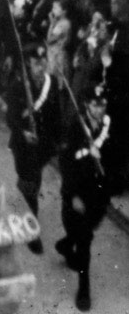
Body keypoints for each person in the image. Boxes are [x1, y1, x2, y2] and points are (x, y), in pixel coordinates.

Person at [55, 83, 114, 312]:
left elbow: (112, 156)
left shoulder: (107, 125)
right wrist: (71, 196)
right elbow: (66, 164)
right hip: (77, 193)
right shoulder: (74, 128)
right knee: (85, 240)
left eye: (102, 105)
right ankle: (84, 289)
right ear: (87, 105)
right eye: (95, 105)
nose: (100, 109)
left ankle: (64, 244)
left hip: (97, 194)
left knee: (86, 230)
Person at [6, 42, 62, 253]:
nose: (41, 65)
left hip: (43, 145)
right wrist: (22, 132)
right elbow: (11, 117)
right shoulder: (18, 85)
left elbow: (55, 112)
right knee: (31, 184)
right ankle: (32, 231)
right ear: (27, 64)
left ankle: (23, 201)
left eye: (43, 61)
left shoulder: (52, 82)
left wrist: (58, 140)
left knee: (32, 183)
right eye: (36, 62)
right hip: (23, 145)